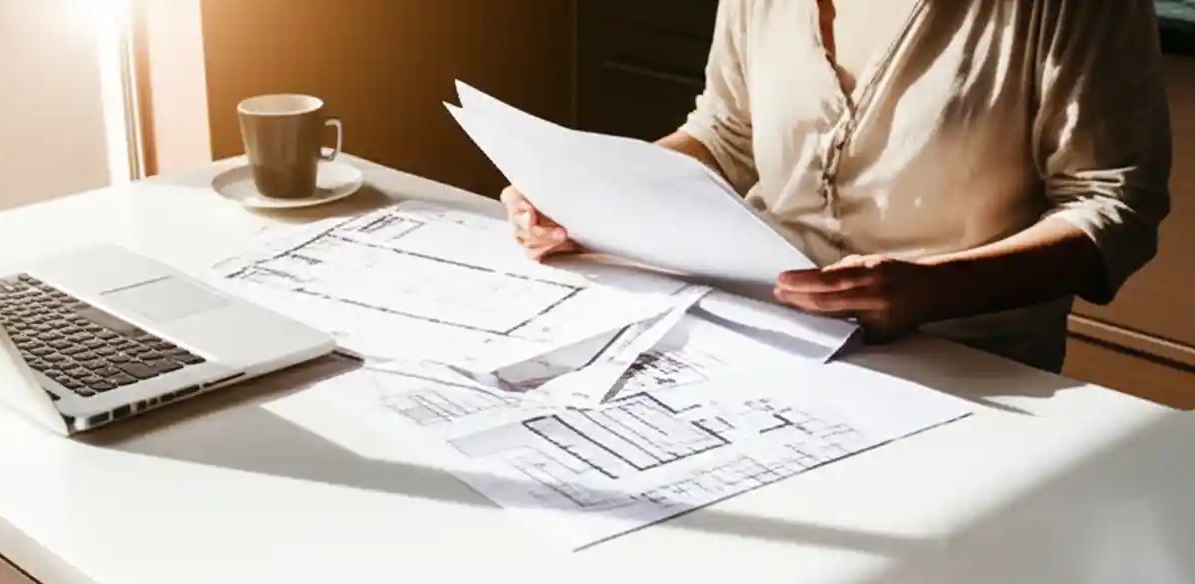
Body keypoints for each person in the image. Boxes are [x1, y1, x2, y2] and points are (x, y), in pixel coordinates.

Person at [502, 0, 1172, 372]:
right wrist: (587, 192)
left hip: (963, 364)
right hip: (759, 335)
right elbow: (727, 132)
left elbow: (1112, 205)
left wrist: (936, 289)